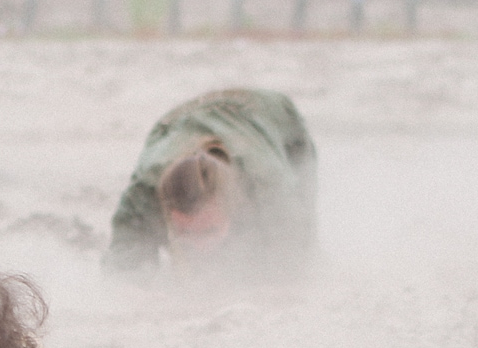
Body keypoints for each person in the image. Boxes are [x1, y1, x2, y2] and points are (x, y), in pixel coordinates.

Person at [103, 88, 317, 276]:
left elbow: (292, 270)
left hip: (264, 113)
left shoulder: (269, 185)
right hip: (176, 122)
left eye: (209, 231)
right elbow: (122, 267)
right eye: (185, 233)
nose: (199, 247)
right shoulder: (145, 191)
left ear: (233, 207)